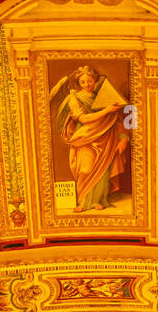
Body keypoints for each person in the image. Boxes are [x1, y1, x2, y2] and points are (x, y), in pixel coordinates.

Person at [52, 66, 130, 212]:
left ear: (95, 81)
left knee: (103, 171)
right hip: (85, 137)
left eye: (90, 81)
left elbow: (118, 119)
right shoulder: (73, 98)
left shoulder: (104, 97)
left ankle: (98, 200)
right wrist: (106, 110)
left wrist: (124, 138)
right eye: (83, 82)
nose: (87, 84)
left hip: (106, 139)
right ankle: (82, 201)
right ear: (78, 83)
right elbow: (84, 118)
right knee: (86, 169)